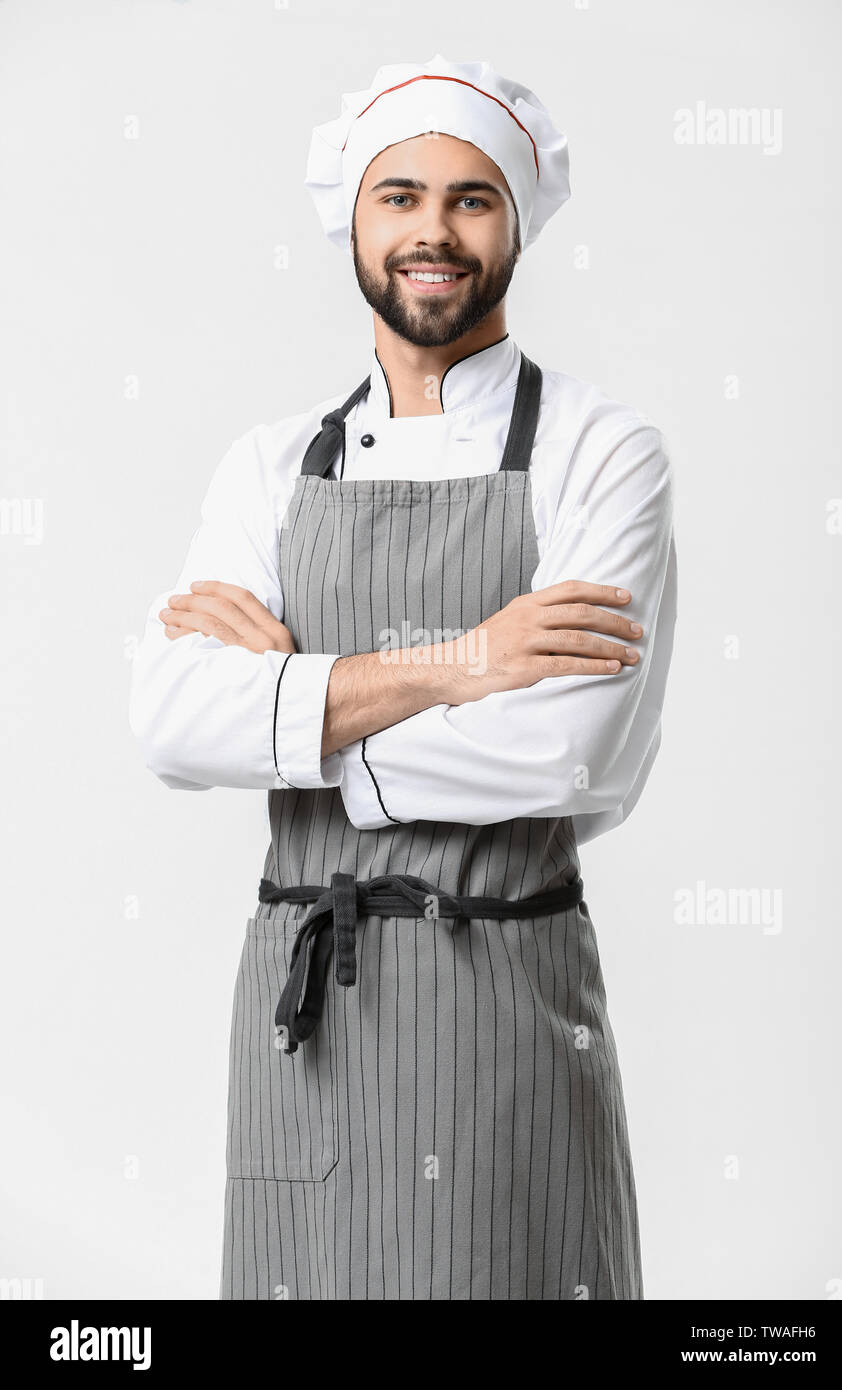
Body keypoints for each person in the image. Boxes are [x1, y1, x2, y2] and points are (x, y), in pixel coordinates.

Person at [129, 54, 677, 1301]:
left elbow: (567, 751)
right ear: (354, 219)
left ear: (514, 222)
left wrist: (293, 703)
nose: (432, 230)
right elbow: (168, 721)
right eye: (402, 195)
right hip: (303, 1023)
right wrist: (469, 660)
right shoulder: (268, 467)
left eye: (471, 198)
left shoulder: (602, 452)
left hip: (502, 1017)